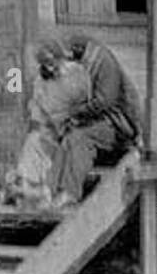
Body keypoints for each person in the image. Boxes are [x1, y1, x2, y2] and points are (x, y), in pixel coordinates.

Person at [55, 32, 142, 206]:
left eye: (72, 56)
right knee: (66, 138)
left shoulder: (104, 62)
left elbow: (105, 101)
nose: (72, 61)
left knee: (80, 138)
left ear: (80, 50)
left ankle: (70, 194)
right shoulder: (93, 62)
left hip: (120, 125)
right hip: (106, 120)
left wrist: (76, 114)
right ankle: (53, 191)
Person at [4, 37, 90, 206]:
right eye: (45, 64)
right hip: (51, 130)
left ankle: (43, 191)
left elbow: (85, 105)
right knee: (33, 142)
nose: (49, 67)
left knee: (66, 144)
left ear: (59, 58)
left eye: (52, 62)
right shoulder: (41, 82)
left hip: (73, 128)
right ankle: (27, 187)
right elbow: (38, 113)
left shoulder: (77, 74)